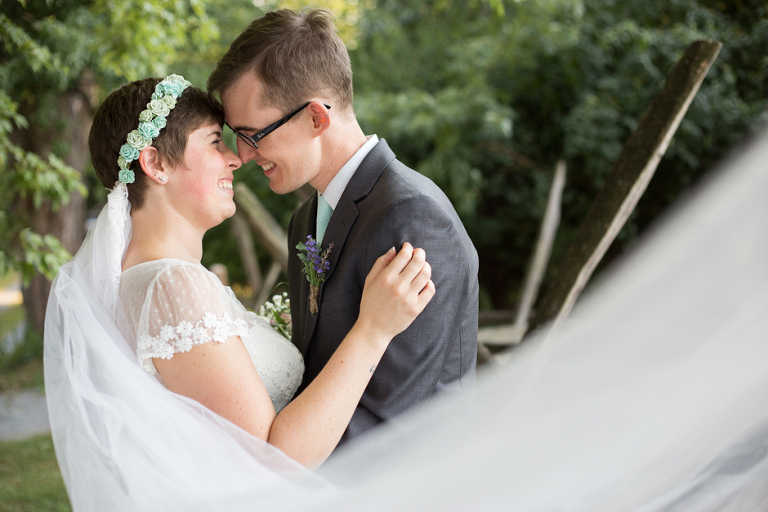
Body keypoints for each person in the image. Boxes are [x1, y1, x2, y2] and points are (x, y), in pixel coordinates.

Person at [207, 8, 480, 444]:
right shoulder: (304, 220)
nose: (242, 154)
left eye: (253, 134)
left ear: (316, 117)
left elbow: (394, 419)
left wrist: (273, 471)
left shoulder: (413, 216)